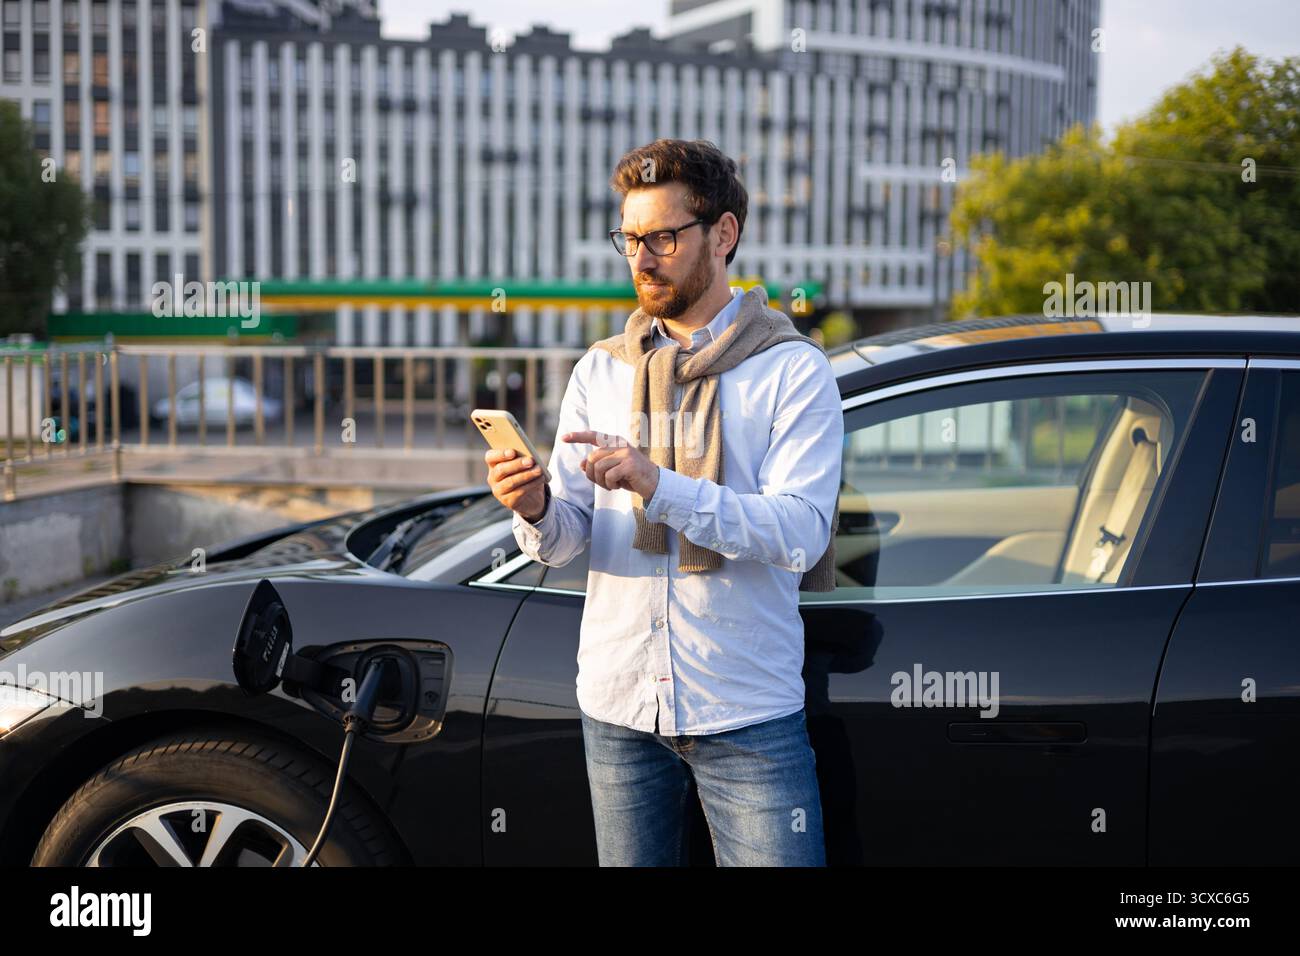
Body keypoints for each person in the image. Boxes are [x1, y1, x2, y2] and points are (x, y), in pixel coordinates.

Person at [485, 138, 842, 866]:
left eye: (664, 238)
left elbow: (802, 532)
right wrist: (531, 506)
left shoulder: (792, 370)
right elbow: (567, 537)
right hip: (617, 708)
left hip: (745, 711)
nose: (642, 260)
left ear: (724, 234)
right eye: (630, 240)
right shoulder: (601, 370)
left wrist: (659, 485)